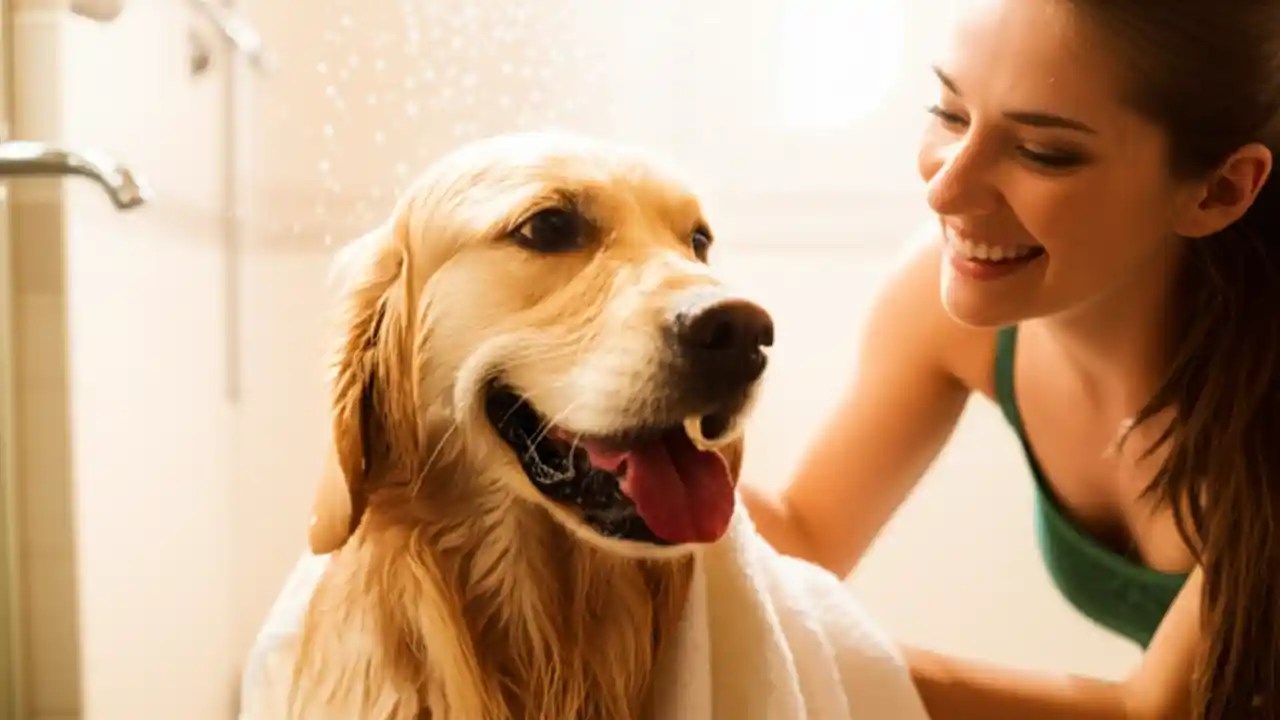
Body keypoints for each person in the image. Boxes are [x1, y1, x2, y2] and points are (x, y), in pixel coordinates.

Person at [740, 0, 1280, 717]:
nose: (945, 188)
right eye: (949, 113)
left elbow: (1154, 711)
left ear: (1219, 189)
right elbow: (805, 535)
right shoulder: (940, 303)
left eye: (1043, 152)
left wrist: (808, 658)